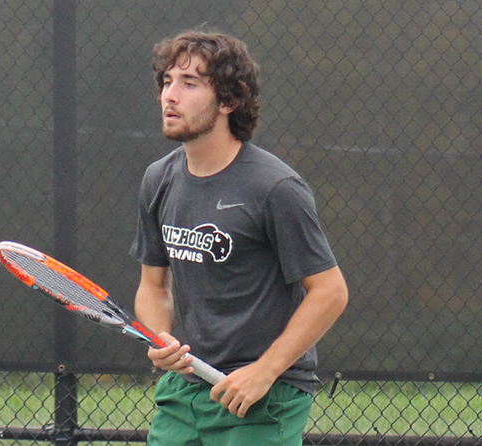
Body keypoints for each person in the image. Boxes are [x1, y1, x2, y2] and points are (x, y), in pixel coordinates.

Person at [129, 29, 349, 446]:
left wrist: (263, 372)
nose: (169, 96)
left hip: (262, 397)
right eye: (166, 81)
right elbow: (153, 286)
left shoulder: (276, 189)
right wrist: (161, 336)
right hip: (185, 389)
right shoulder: (158, 179)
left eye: (189, 83)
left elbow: (330, 291)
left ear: (228, 101)